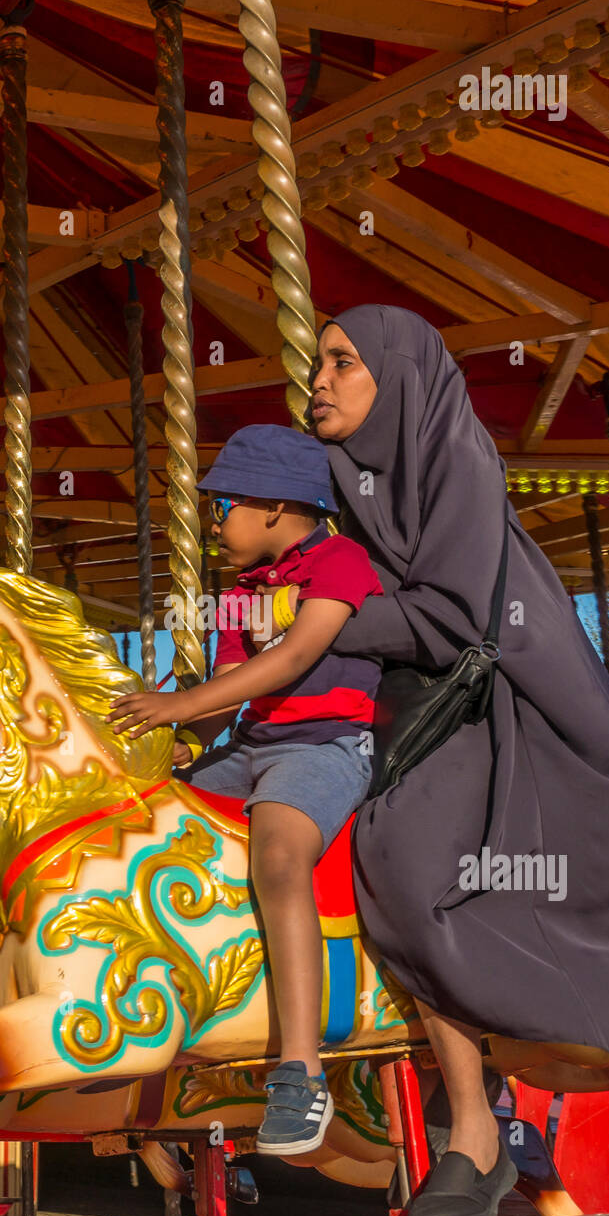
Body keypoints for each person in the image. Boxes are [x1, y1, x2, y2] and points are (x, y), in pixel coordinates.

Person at [265, 304, 609, 1216]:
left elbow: (455, 615)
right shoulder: (351, 488)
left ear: (401, 379)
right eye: (317, 363)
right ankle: (459, 1120)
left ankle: (479, 1128)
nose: (321, 379)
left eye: (343, 362)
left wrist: (319, 622)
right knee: (368, 853)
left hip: (515, 717)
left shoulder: (456, 464)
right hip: (424, 711)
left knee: (413, 869)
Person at [110, 424, 382, 1156]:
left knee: (280, 853)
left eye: (221, 505)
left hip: (326, 744)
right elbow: (227, 694)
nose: (213, 523)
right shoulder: (241, 590)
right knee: (143, 823)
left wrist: (176, 707)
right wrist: (170, 742)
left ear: (271, 504)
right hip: (253, 746)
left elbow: (295, 656)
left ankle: (301, 1068)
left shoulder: (341, 561)